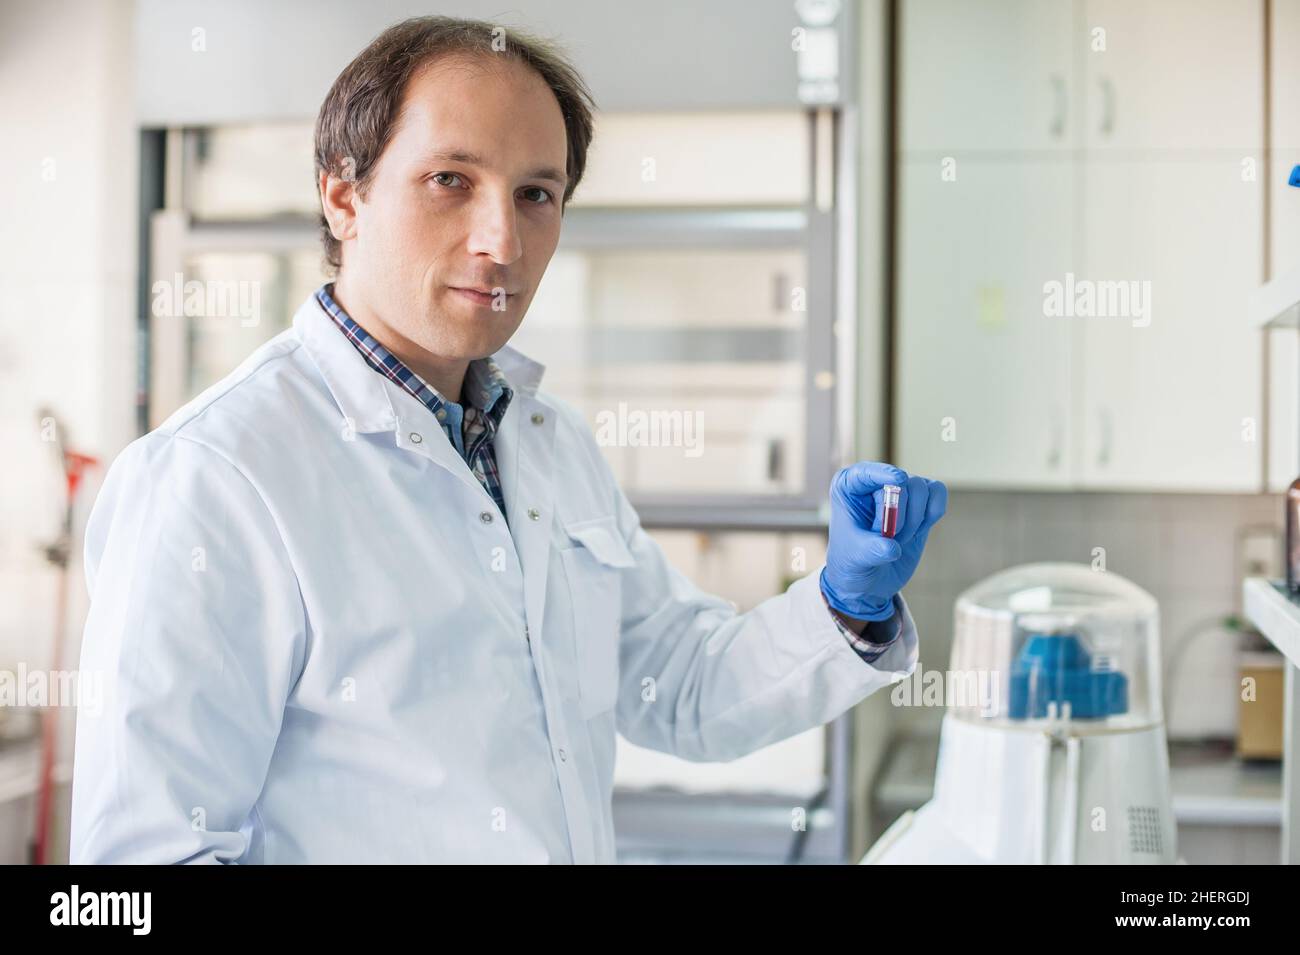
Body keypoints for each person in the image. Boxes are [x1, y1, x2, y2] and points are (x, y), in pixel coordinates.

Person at [70, 15, 946, 864]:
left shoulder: (544, 441)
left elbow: (678, 686)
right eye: (450, 179)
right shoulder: (212, 477)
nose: (502, 240)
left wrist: (845, 602)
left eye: (536, 194)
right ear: (345, 196)